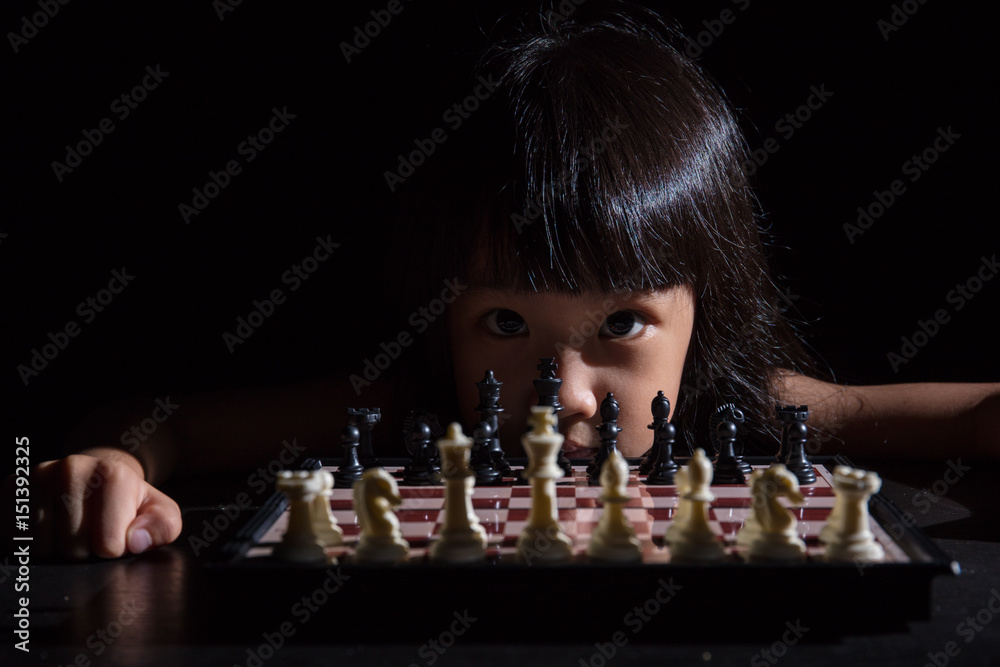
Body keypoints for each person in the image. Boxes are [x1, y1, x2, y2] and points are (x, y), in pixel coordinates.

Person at [25, 2, 998, 560]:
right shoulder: (407, 412)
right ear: (440, 315)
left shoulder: (742, 412)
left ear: (704, 307)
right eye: (502, 320)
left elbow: (967, 417)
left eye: (621, 320)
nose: (561, 393)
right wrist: (111, 462)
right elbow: (163, 419)